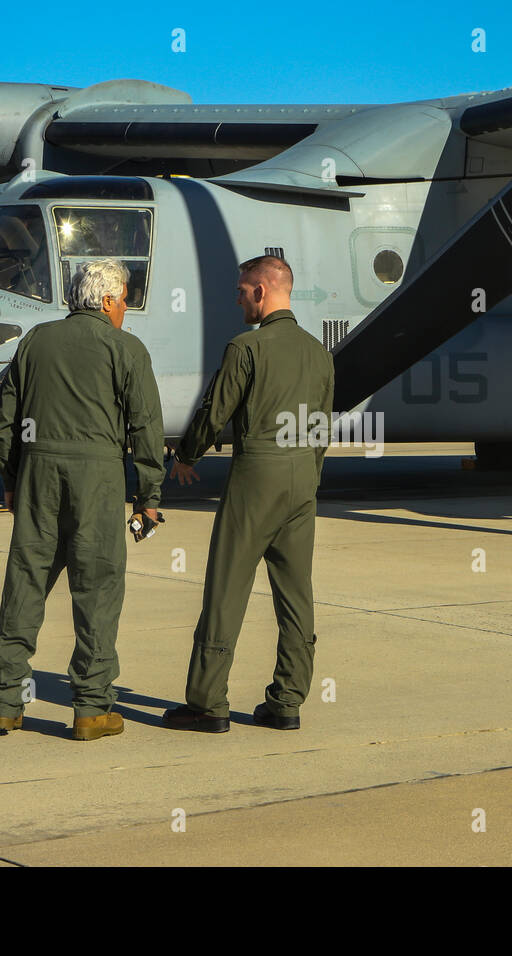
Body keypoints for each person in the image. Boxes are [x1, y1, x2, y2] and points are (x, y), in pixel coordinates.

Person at [0, 258, 165, 740]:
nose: (125, 308)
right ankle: (91, 708)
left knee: (25, 583)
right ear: (107, 301)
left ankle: (7, 702)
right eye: (124, 299)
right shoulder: (126, 349)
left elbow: (4, 420)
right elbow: (146, 427)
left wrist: (11, 479)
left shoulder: (35, 341)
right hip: (98, 478)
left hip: (38, 475)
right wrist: (148, 496)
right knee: (97, 591)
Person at [163, 255, 334, 733]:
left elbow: (216, 409)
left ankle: (207, 703)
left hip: (258, 471)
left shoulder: (246, 348)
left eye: (242, 290)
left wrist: (188, 455)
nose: (237, 298)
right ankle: (288, 700)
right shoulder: (319, 353)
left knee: (226, 586)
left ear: (262, 290)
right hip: (303, 475)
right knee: (296, 592)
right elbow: (321, 425)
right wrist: (308, 475)